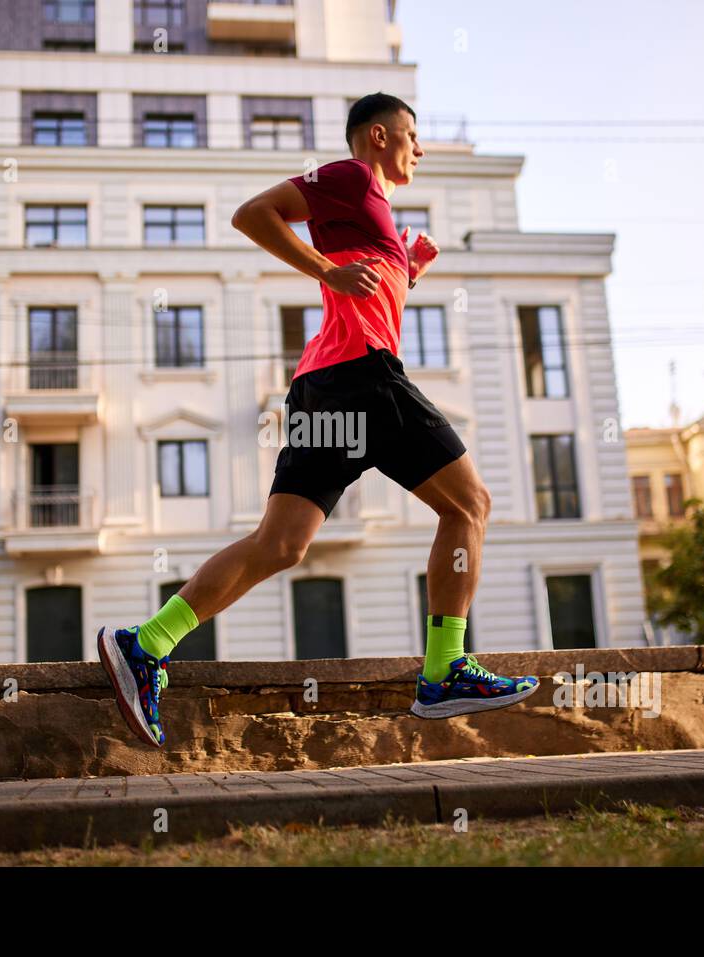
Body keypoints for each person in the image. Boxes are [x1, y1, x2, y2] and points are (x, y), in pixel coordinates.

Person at [99, 92, 539, 748]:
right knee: (470, 503)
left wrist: (406, 266)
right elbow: (254, 215)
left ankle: (145, 642)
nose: (419, 149)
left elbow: (370, 286)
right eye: (414, 137)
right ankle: (445, 669)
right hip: (364, 378)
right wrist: (329, 269)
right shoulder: (354, 176)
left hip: (320, 387)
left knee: (281, 544)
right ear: (382, 135)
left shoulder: (377, 212)